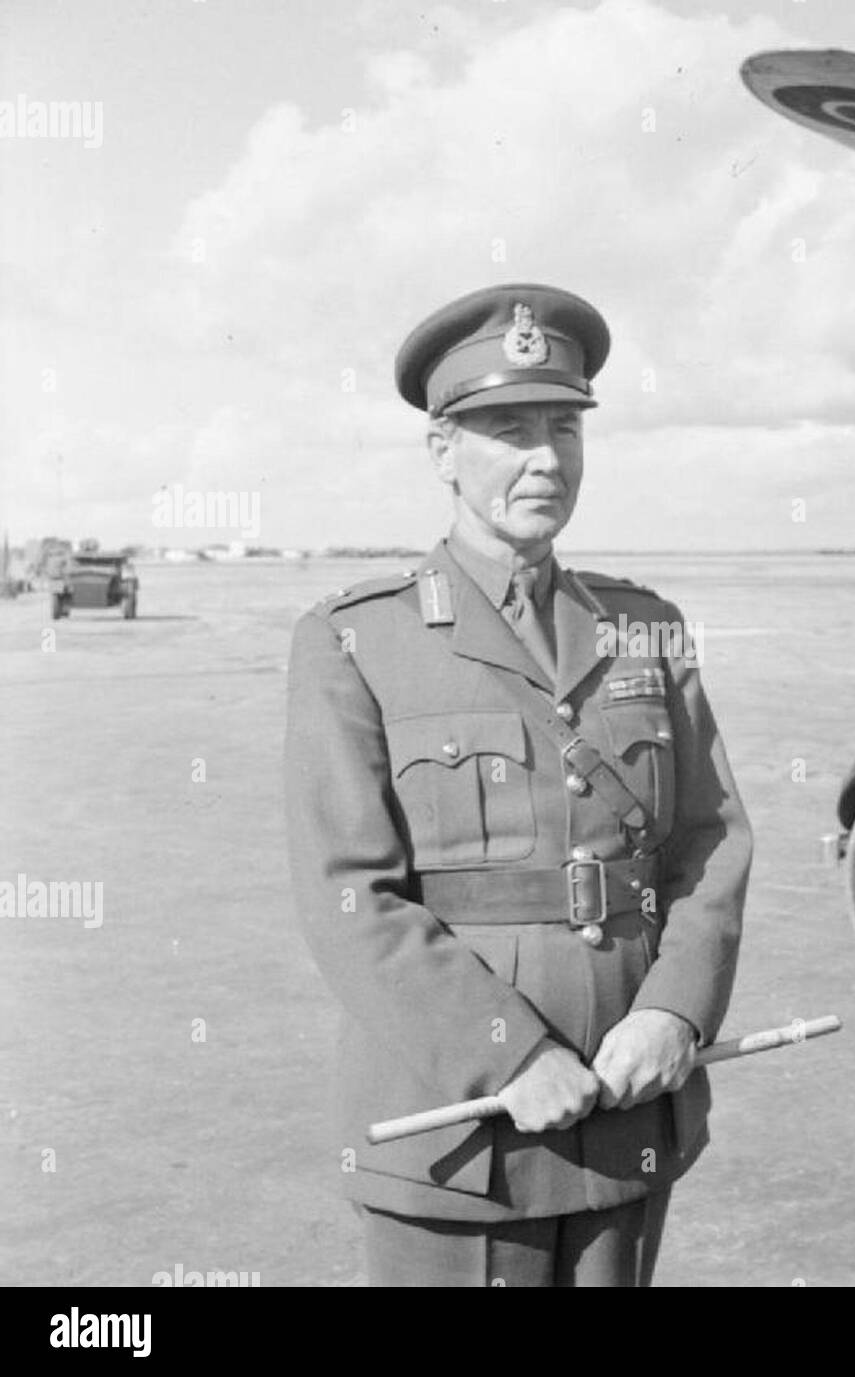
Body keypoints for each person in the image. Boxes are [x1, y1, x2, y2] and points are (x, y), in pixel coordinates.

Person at [284, 283, 752, 1287]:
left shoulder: (644, 625)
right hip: (459, 1132)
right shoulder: (358, 638)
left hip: (627, 1106)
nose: (545, 458)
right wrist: (506, 1055)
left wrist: (674, 1011)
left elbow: (708, 841)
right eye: (506, 429)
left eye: (563, 427)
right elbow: (348, 896)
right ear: (442, 451)